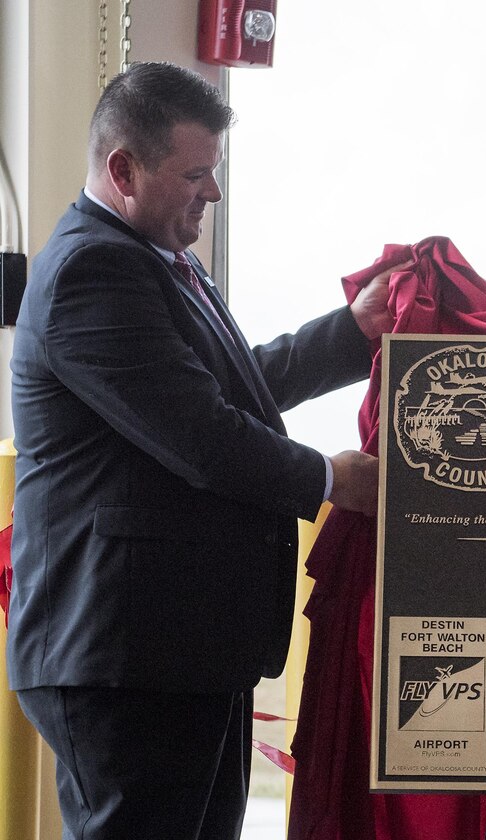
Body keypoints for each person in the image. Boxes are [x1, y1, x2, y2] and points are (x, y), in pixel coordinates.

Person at [6, 61, 395, 839]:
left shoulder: (161, 261)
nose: (211, 194)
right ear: (123, 169)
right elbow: (203, 437)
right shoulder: (93, 268)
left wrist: (352, 331)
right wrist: (331, 479)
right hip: (126, 656)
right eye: (195, 174)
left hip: (179, 650)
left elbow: (238, 389)